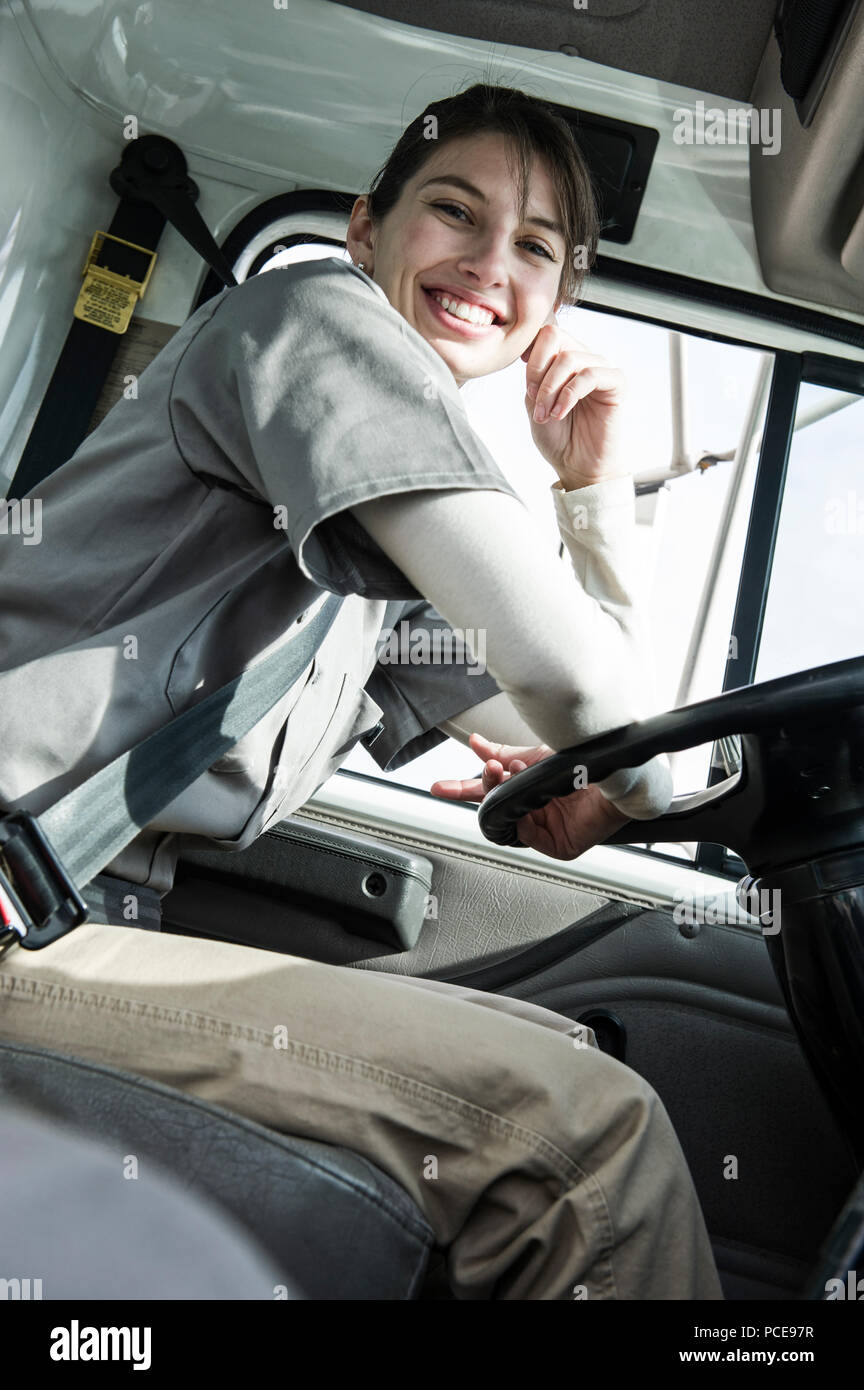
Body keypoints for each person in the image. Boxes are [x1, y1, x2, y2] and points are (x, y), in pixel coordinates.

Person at [0, 83, 723, 1299]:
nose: (491, 263)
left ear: (559, 306)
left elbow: (613, 736)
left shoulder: (383, 560)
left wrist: (593, 488)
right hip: (24, 924)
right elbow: (598, 706)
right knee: (595, 1140)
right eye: (455, 211)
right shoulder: (312, 321)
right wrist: (623, 761)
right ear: (363, 229)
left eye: (536, 250)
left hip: (74, 924)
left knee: (566, 1047)